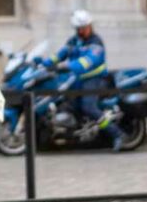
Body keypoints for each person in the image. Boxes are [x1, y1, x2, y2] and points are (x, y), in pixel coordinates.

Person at [36, 9, 127, 152]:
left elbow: (88, 61)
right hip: (76, 79)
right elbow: (60, 54)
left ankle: (117, 134)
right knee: (63, 101)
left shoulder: (96, 42)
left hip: (94, 80)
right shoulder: (73, 41)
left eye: (86, 27)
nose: (84, 30)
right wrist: (43, 63)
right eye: (81, 28)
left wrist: (67, 65)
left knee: (88, 107)